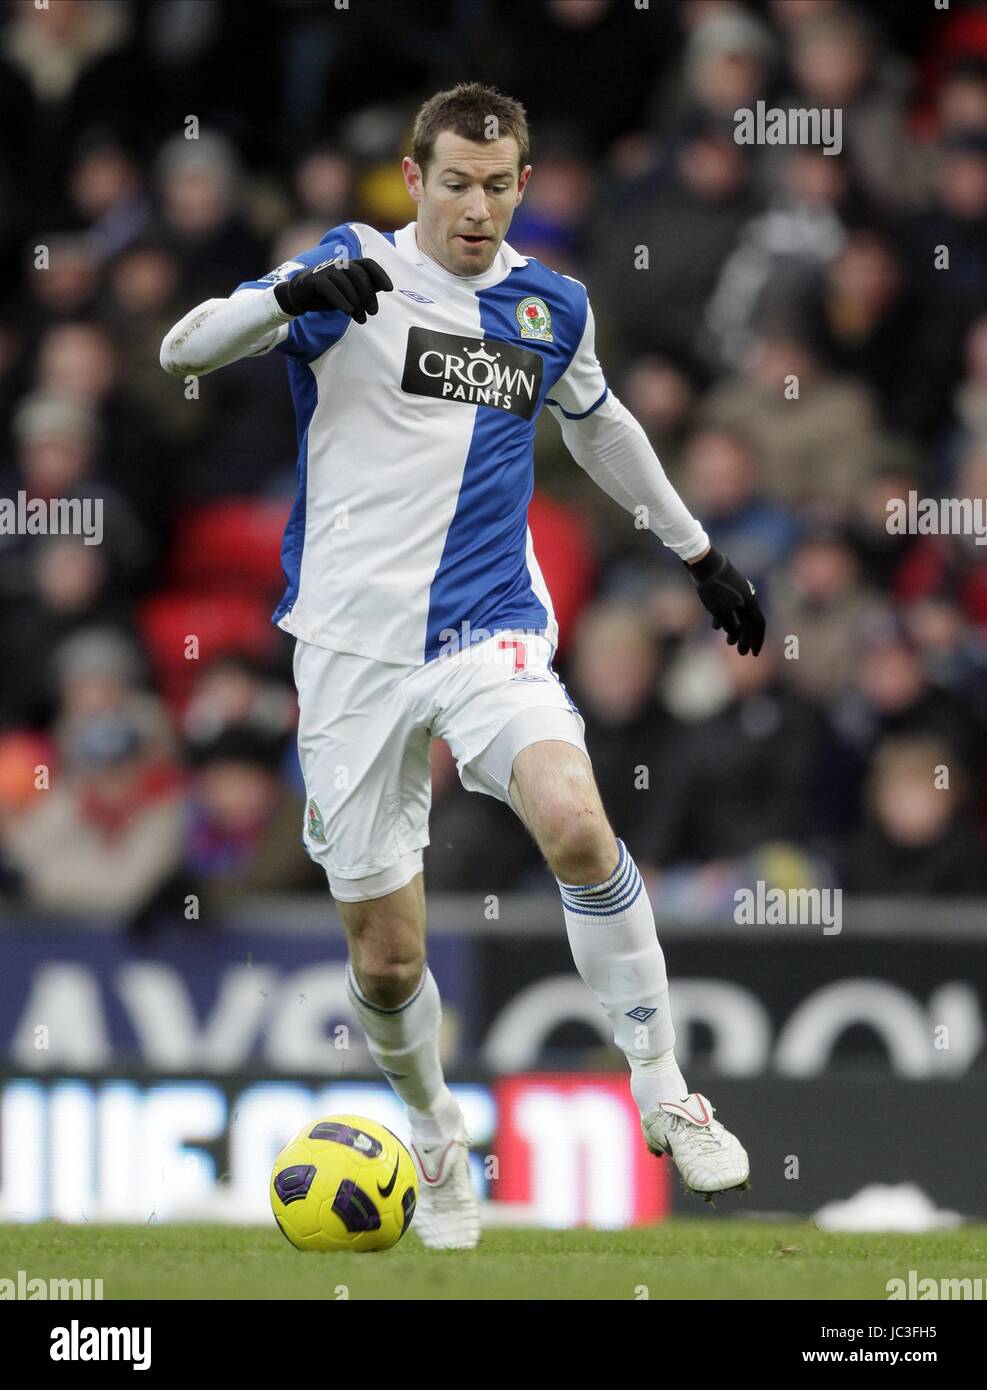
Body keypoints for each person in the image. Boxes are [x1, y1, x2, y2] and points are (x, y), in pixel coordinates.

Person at [160, 82, 765, 1250]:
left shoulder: (553, 308)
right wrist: (289, 294)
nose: (476, 208)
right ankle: (436, 1135)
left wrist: (699, 553)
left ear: (522, 185)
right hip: (347, 653)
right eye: (454, 183)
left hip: (486, 629)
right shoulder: (350, 271)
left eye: (498, 185)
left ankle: (663, 1090)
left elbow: (602, 427)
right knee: (388, 962)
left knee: (579, 825)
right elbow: (186, 348)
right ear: (414, 177)